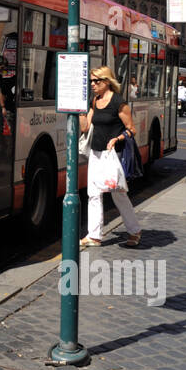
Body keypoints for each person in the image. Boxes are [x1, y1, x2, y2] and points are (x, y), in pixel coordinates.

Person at [78, 65, 143, 248]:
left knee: (118, 195)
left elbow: (132, 129)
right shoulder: (94, 100)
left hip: (113, 155)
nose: (93, 84)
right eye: (91, 81)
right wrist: (80, 110)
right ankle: (94, 235)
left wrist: (117, 138)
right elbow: (85, 127)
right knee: (93, 194)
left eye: (96, 81)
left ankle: (134, 230)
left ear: (107, 81)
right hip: (96, 153)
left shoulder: (118, 103)